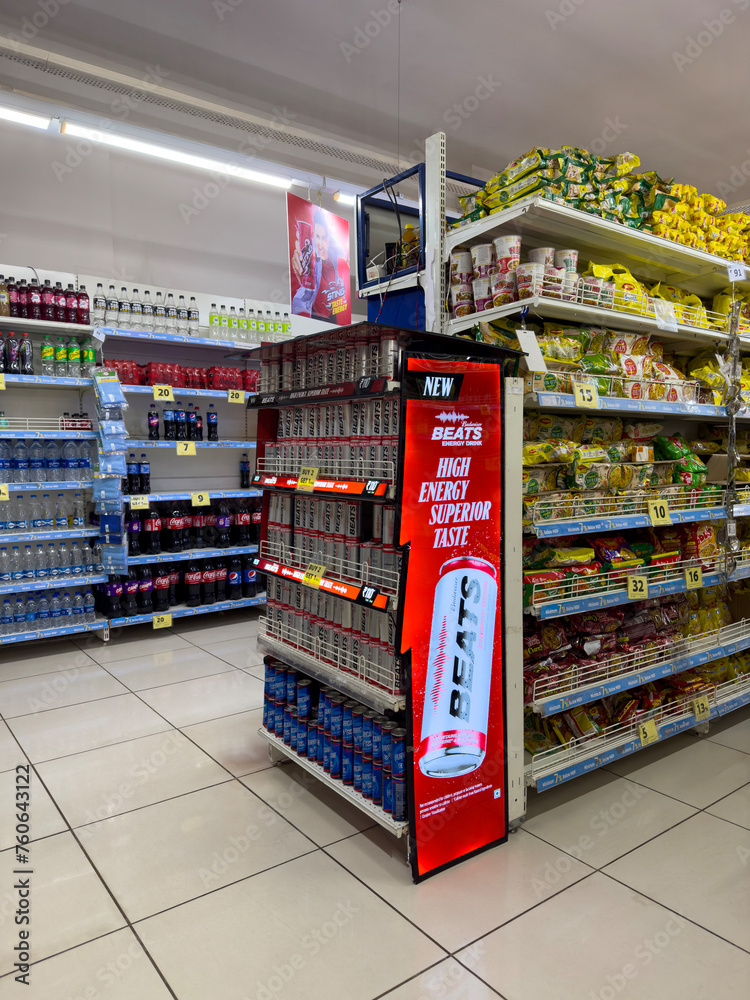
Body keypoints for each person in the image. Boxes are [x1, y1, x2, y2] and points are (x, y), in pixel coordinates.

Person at [291, 208, 349, 322]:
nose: (321, 244)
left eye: (323, 237)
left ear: (328, 238)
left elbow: (347, 259)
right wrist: (297, 260)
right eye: (317, 237)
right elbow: (300, 252)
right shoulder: (310, 248)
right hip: (316, 313)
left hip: (332, 311)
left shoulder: (334, 247)